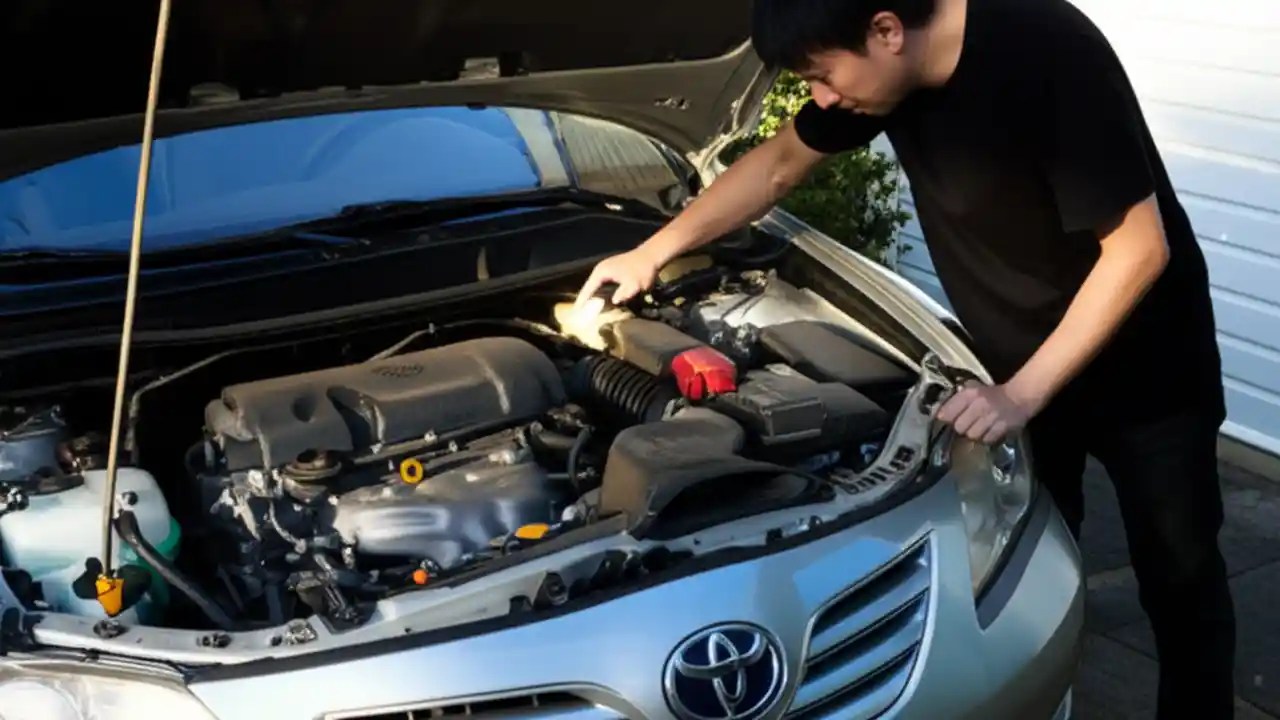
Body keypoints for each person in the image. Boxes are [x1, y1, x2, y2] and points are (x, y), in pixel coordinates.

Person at [572, 0, 1237, 715]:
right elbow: (780, 165)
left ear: (887, 31)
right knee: (1036, 552)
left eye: (821, 76)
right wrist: (650, 253)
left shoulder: (1050, 51)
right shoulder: (885, 67)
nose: (822, 98)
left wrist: (1020, 395)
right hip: (1015, 363)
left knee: (1179, 575)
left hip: (1143, 365)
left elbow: (1140, 249)